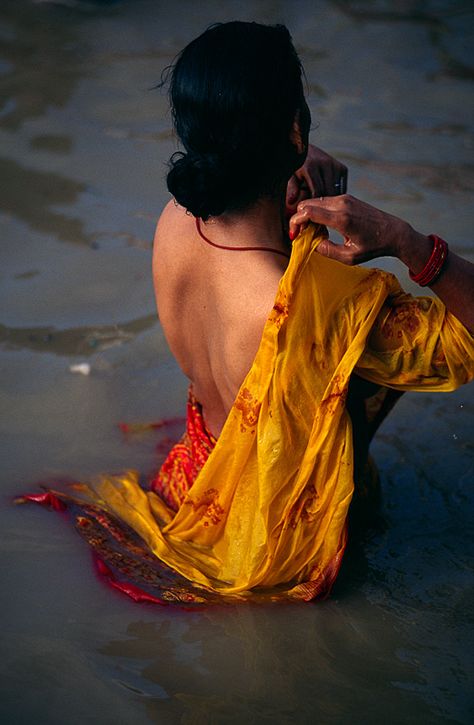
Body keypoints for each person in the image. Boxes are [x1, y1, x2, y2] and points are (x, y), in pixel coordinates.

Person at [20, 21, 474, 605]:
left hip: (194, 484)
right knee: (375, 360)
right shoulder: (321, 299)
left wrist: (289, 155)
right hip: (281, 543)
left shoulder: (176, 221)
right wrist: (406, 240)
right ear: (292, 128)